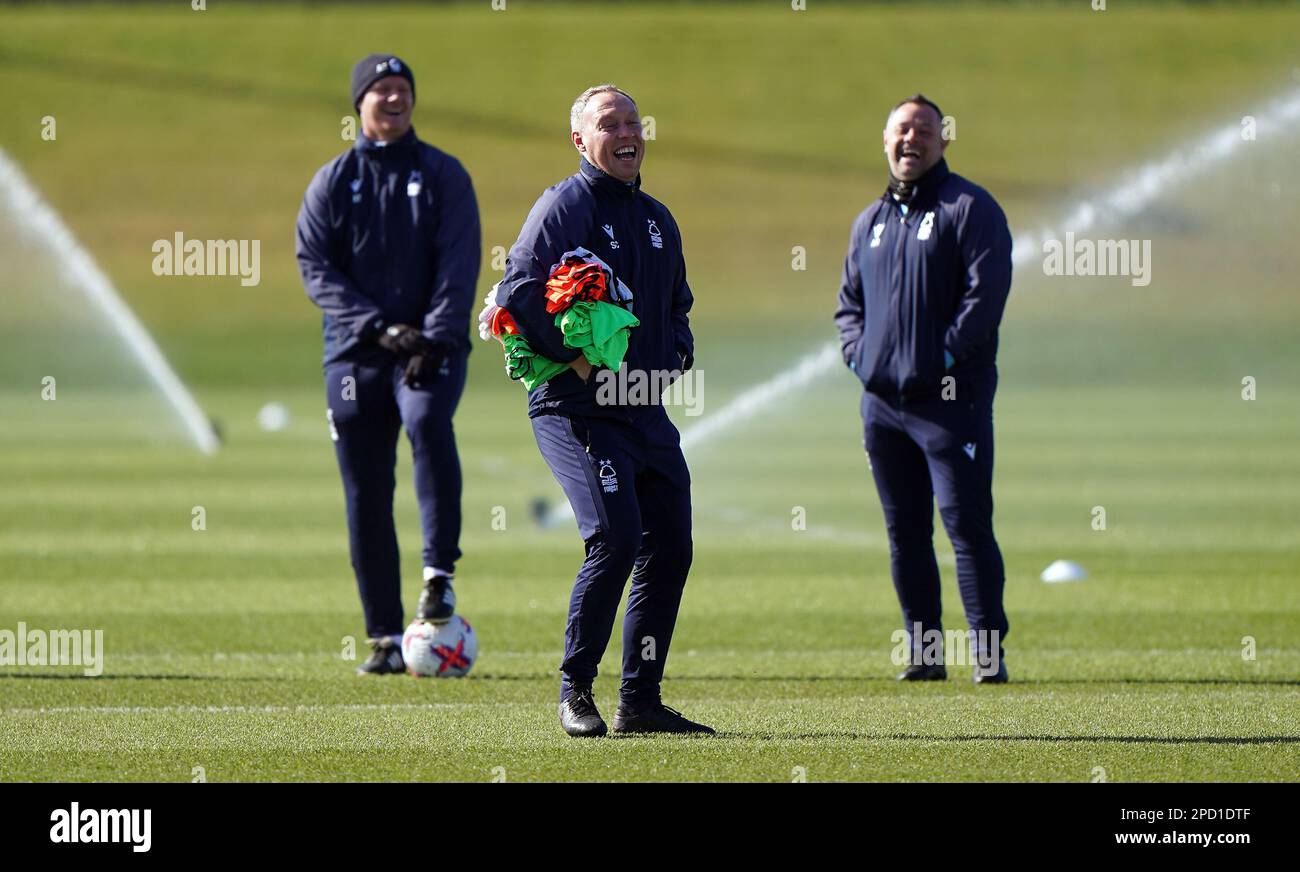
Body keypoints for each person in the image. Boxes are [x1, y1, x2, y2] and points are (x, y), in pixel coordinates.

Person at [495, 84, 713, 736]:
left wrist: (675, 355)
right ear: (580, 140)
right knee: (615, 537)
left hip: (644, 413)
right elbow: (518, 291)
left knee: (670, 545)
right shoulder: (566, 205)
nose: (625, 132)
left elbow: (678, 307)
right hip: (576, 409)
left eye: (631, 122)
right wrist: (578, 359)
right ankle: (574, 690)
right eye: (607, 123)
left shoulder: (657, 218)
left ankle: (640, 702)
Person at [296, 54, 481, 675]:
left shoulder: (444, 175)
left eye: (403, 89)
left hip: (431, 351)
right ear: (360, 104)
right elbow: (315, 267)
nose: (394, 100)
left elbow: (459, 263)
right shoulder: (332, 181)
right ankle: (382, 635)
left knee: (429, 423)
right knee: (365, 487)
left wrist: (433, 336)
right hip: (356, 354)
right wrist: (378, 326)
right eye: (382, 91)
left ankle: (438, 575)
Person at [834, 94, 1013, 683]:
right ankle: (924, 653)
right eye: (901, 130)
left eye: (924, 130)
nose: (911, 139)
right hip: (883, 407)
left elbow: (985, 299)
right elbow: (849, 307)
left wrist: (941, 355)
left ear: (943, 140)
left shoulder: (970, 208)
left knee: (965, 524)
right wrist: (862, 359)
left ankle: (987, 653)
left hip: (950, 403)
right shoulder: (871, 222)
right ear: (885, 140)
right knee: (905, 531)